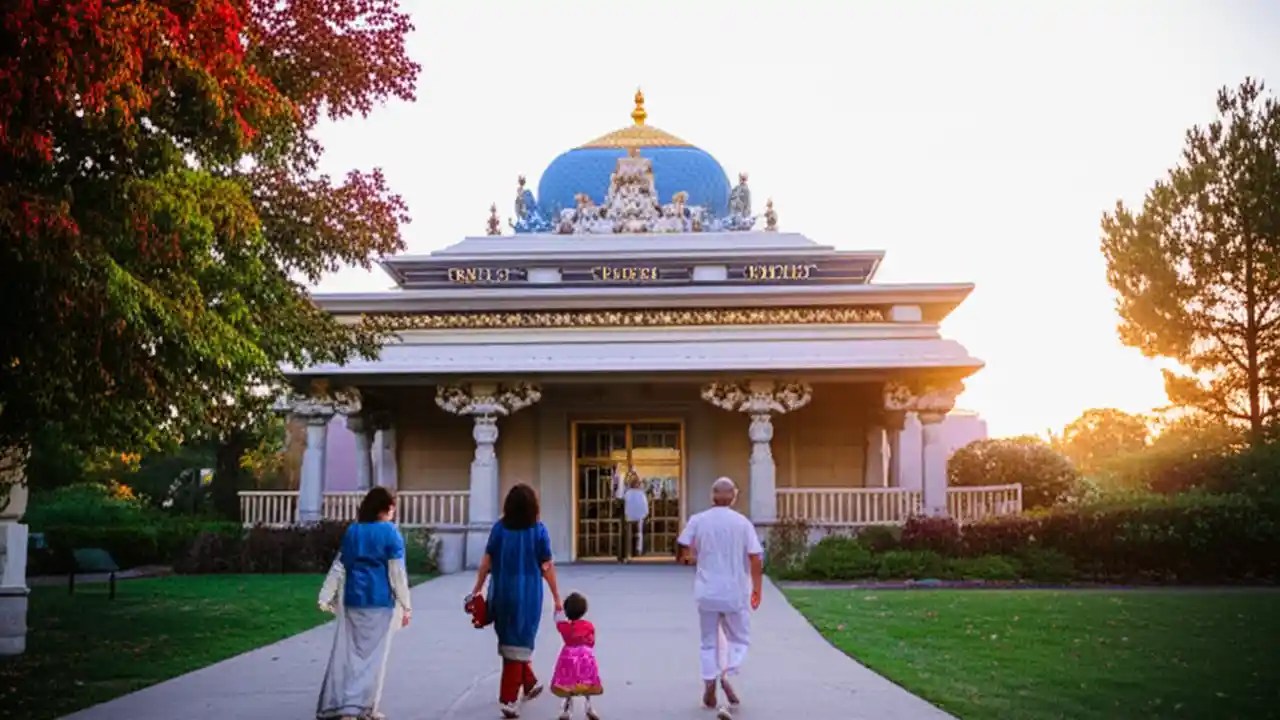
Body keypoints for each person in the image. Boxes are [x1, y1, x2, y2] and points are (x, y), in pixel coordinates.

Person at [316, 486, 412, 720]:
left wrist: (326, 595)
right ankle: (364, 707)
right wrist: (406, 604)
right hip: (379, 602)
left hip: (353, 601)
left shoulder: (353, 531)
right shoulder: (390, 533)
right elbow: (397, 573)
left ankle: (348, 707)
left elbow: (340, 566)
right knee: (374, 659)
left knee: (352, 656)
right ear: (386, 508)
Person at [470, 483, 563, 718]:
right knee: (519, 643)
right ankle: (508, 699)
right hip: (528, 595)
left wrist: (477, 590)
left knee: (512, 643)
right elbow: (547, 566)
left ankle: (529, 682)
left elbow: (486, 563)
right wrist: (557, 596)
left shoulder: (499, 530)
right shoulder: (539, 531)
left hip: (501, 593)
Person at [676, 477, 764, 720]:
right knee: (739, 640)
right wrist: (757, 588)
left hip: (706, 591)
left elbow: (682, 545)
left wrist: (689, 558)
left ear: (712, 495)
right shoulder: (742, 523)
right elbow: (756, 557)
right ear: (733, 496)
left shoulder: (699, 520)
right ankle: (726, 675)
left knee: (708, 641)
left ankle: (709, 681)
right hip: (735, 592)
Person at [551, 592, 603, 720]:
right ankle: (589, 707)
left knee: (568, 683)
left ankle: (567, 708)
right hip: (586, 657)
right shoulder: (589, 626)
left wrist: (558, 608)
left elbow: (557, 619)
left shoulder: (565, 627)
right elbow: (592, 641)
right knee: (587, 684)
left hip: (568, 657)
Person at [617, 470, 649, 562]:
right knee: (638, 534)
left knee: (629, 536)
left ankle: (629, 553)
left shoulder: (627, 493)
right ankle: (637, 551)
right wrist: (645, 515)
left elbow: (622, 501)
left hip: (628, 517)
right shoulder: (641, 494)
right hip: (638, 517)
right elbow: (645, 506)